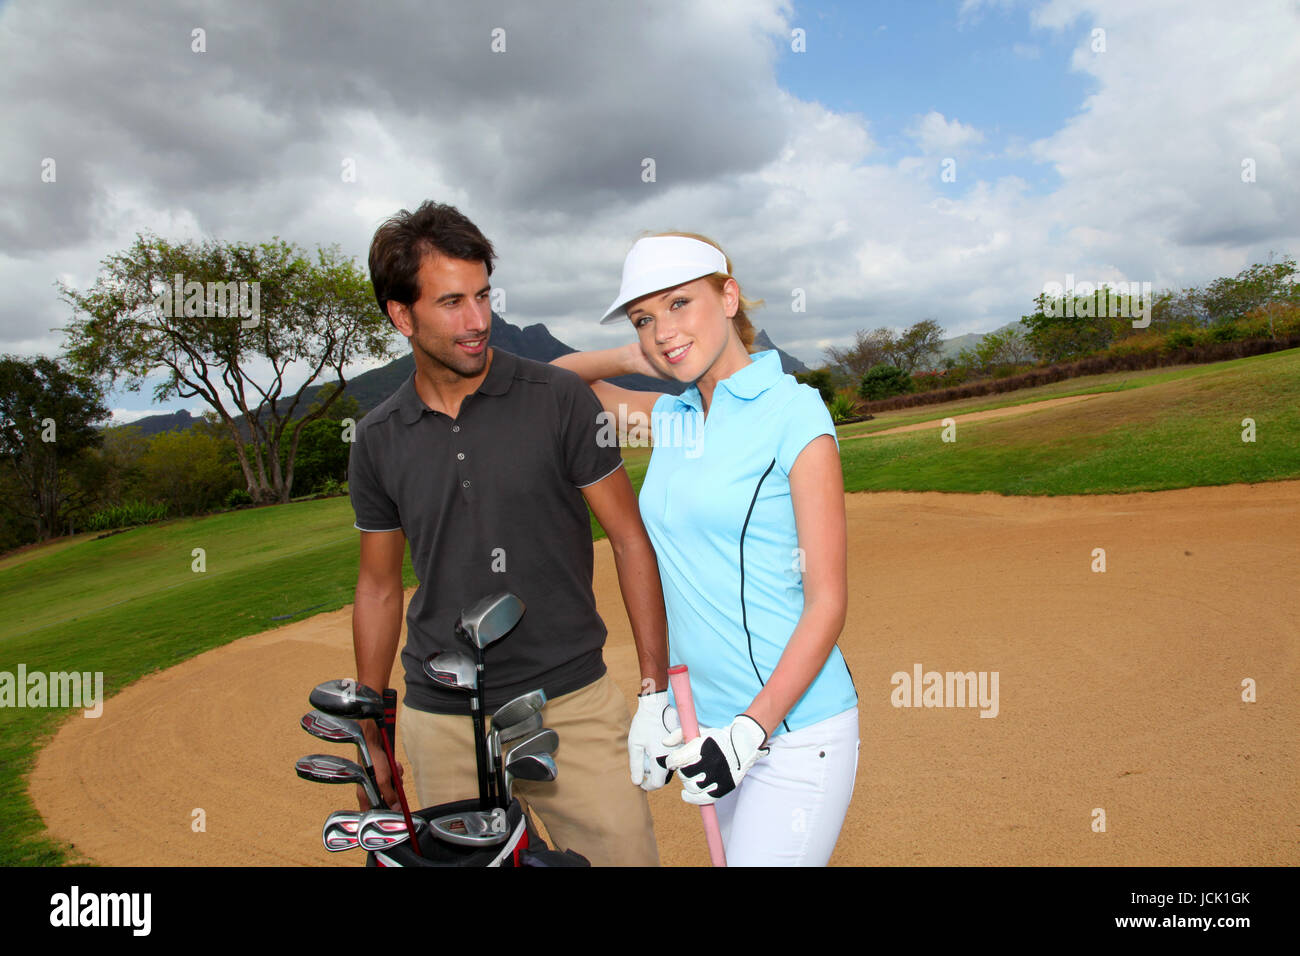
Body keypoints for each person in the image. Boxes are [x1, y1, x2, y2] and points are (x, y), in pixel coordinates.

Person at [347, 201, 670, 866]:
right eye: (452, 302)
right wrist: (372, 730)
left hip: (569, 703)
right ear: (401, 315)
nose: (477, 321)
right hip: (441, 722)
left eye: (484, 296)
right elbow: (378, 588)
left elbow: (630, 540)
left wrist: (653, 689)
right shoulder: (377, 437)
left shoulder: (558, 398)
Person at [552, 233, 859, 866]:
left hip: (792, 733)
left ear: (728, 296)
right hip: (704, 732)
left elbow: (828, 601)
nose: (664, 329)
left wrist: (750, 731)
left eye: (679, 304)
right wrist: (639, 353)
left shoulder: (795, 414)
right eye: (645, 316)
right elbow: (550, 385)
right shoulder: (673, 419)